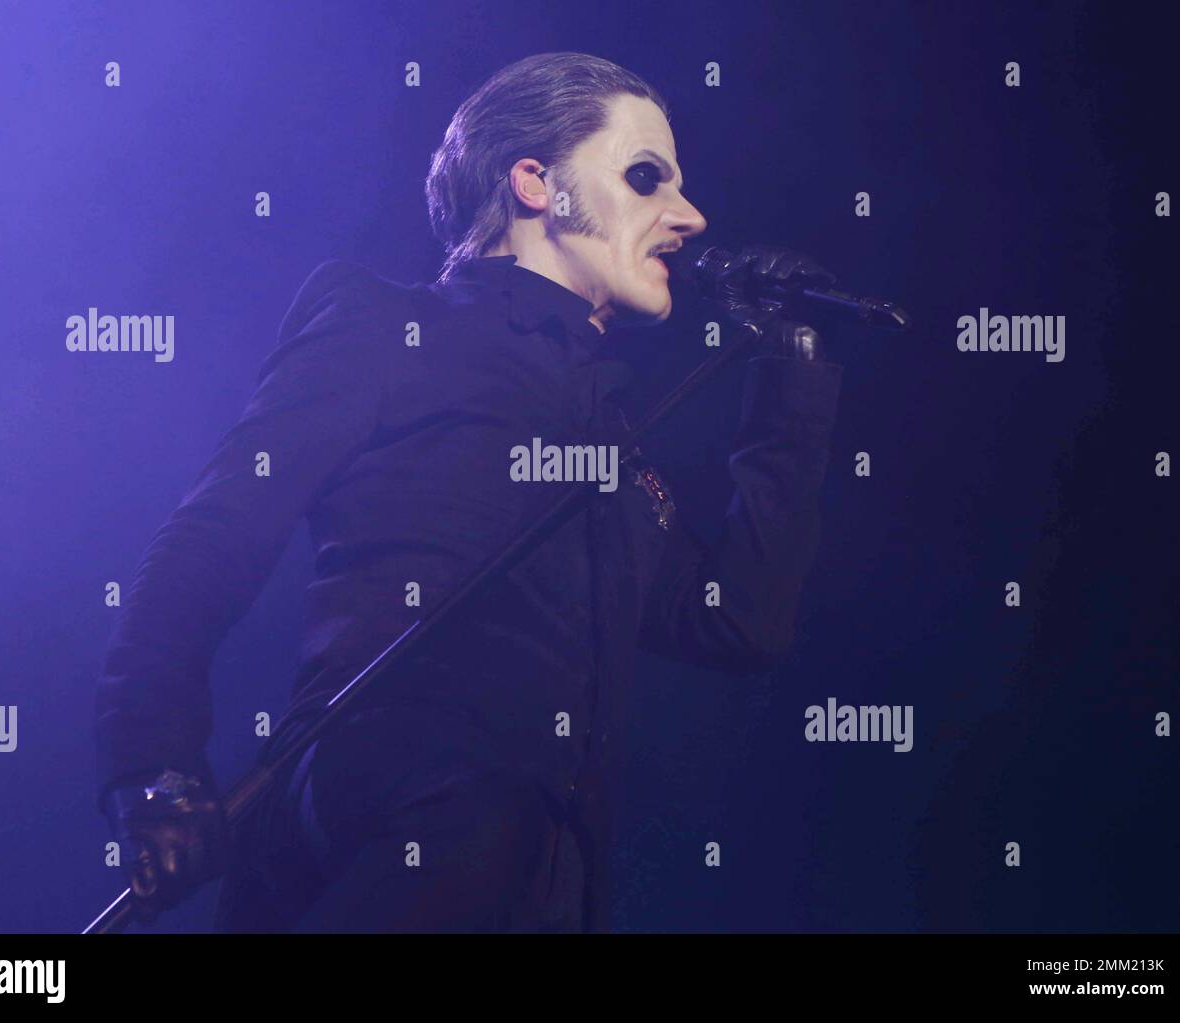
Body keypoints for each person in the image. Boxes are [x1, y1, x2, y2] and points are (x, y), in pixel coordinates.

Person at [96, 51, 844, 933]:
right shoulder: (389, 324)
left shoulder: (611, 437)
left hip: (547, 877)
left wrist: (793, 378)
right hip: (384, 819)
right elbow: (214, 535)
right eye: (646, 178)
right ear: (537, 184)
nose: (688, 216)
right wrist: (158, 767)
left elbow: (736, 621)